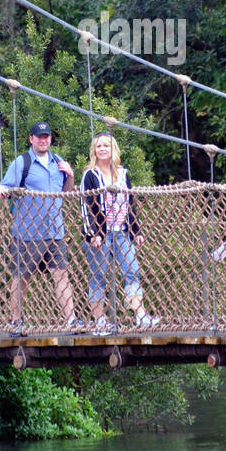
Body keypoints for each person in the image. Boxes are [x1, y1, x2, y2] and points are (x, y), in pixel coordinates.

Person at [0, 122, 76, 336]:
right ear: (31, 139)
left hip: (55, 231)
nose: (43, 140)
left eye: (46, 136)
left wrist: (71, 176)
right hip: (28, 232)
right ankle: (16, 322)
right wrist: (1, 189)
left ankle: (71, 320)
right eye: (39, 136)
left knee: (61, 275)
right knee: (22, 278)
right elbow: (7, 185)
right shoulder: (22, 163)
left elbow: (65, 193)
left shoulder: (58, 162)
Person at [80, 132, 159, 334]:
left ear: (113, 149)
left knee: (132, 271)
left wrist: (136, 231)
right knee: (98, 276)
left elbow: (130, 203)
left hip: (122, 232)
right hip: (101, 234)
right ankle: (100, 321)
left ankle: (141, 316)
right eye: (99, 146)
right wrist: (92, 234)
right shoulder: (90, 175)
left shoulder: (122, 174)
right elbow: (86, 205)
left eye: (107, 145)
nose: (103, 149)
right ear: (94, 151)